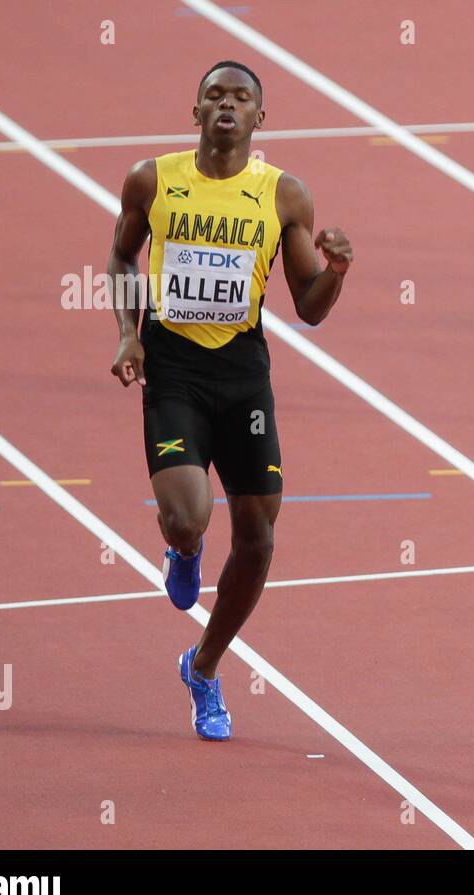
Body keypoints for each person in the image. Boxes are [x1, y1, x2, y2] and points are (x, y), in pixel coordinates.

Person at [107, 61, 353, 740]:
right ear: (195, 111)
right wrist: (129, 333)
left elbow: (309, 307)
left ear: (258, 120)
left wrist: (335, 270)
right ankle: (183, 549)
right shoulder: (153, 180)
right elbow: (121, 258)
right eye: (215, 94)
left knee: (259, 535)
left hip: (243, 374)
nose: (227, 104)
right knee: (189, 517)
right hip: (175, 368)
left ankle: (204, 665)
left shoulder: (283, 196)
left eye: (241, 97)